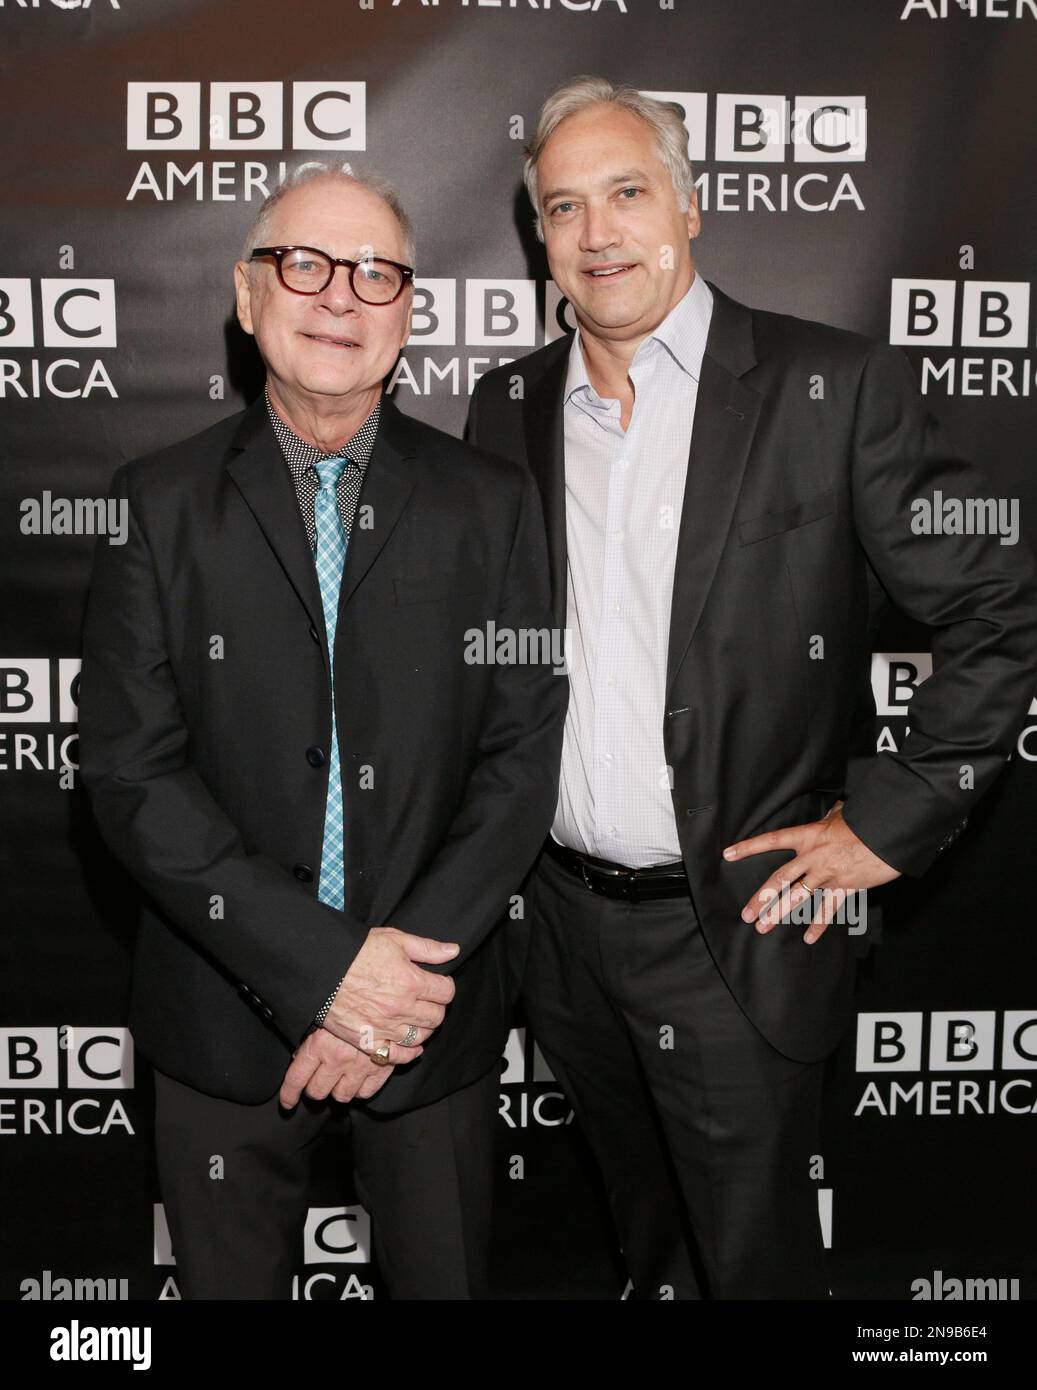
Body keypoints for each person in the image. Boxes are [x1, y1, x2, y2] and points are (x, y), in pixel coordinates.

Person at [465, 75, 1037, 1299]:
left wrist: (891, 818)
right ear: (540, 239)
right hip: (558, 932)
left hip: (735, 932)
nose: (598, 231)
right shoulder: (504, 407)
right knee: (646, 1248)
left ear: (689, 206)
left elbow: (999, 607)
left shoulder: (829, 389)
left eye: (626, 193)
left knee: (754, 1266)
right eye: (563, 208)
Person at [77, 166, 566, 1299]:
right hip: (218, 1021)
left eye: (376, 273)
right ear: (245, 299)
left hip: (429, 1026)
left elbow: (520, 752)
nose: (339, 297)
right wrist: (327, 972)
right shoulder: (152, 505)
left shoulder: (491, 504)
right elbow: (130, 775)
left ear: (406, 314)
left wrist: (386, 997)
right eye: (302, 264)